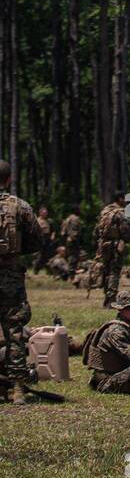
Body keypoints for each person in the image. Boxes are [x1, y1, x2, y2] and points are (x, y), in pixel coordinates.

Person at [0, 159, 43, 403]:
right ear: (9, 180)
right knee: (14, 329)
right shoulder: (20, 206)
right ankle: (17, 389)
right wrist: (15, 252)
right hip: (11, 274)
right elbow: (36, 239)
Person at [94, 192, 130, 307]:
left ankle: (107, 297)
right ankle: (111, 299)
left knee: (106, 271)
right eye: (124, 199)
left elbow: (96, 231)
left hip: (104, 245)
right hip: (115, 246)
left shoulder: (105, 211)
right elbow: (125, 231)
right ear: (120, 199)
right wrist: (127, 239)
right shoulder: (119, 213)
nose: (126, 202)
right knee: (114, 272)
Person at [33, 207, 56, 273]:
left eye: (46, 213)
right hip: (40, 238)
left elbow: (53, 230)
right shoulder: (36, 221)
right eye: (44, 213)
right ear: (40, 213)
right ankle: (36, 269)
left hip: (48, 238)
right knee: (40, 255)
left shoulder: (49, 221)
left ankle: (48, 270)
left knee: (47, 255)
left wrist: (52, 236)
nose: (45, 214)